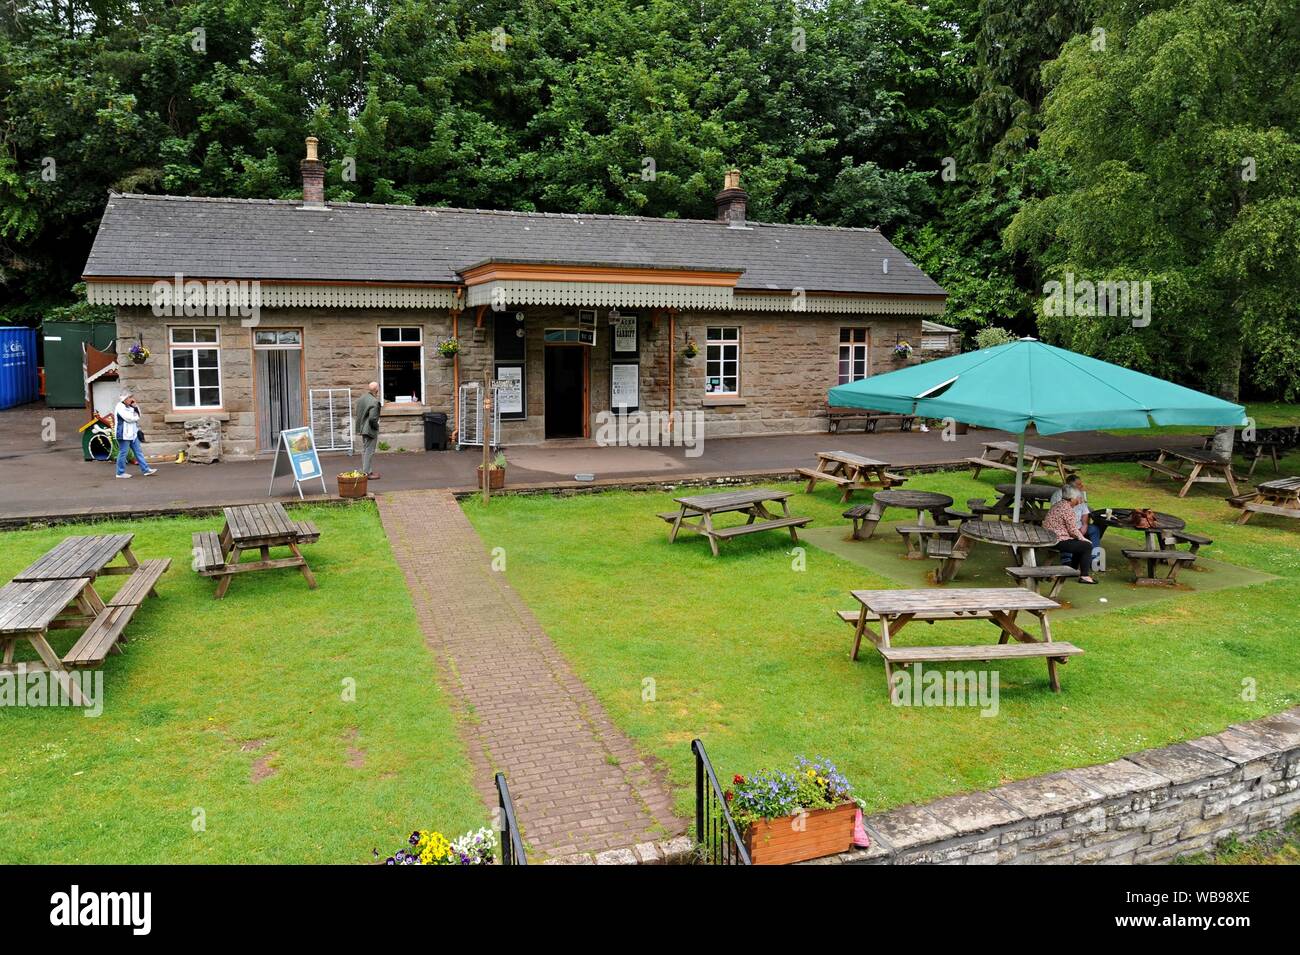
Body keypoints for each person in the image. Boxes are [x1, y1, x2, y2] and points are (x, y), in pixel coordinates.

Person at [1042, 485, 1098, 584]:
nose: (1080, 500)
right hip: (1057, 540)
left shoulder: (1059, 504)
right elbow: (1072, 530)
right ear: (1072, 499)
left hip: (1050, 536)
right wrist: (1083, 539)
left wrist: (1080, 538)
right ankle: (1084, 576)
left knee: (1080, 543)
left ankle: (1072, 569)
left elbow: (1071, 531)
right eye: (1078, 498)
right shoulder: (1068, 510)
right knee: (1087, 546)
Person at [1050, 473, 1104, 550]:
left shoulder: (1079, 494)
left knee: (1094, 529)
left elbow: (1085, 512)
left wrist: (1084, 525)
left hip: (1078, 526)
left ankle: (1095, 556)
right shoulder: (1059, 495)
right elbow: (1058, 516)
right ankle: (1067, 559)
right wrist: (1076, 532)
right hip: (1064, 528)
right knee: (1068, 537)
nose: (1082, 486)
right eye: (1079, 484)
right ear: (1070, 486)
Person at [113, 391, 156, 479]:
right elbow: (130, 418)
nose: (131, 399)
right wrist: (136, 416)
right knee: (123, 453)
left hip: (133, 433)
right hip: (123, 434)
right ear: (124, 399)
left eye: (131, 397)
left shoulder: (130, 406)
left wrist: (135, 406)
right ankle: (120, 473)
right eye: (129, 398)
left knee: (138, 451)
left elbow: (138, 414)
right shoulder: (120, 407)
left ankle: (146, 470)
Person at [355, 381, 382, 479]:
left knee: (365, 450)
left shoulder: (362, 398)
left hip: (362, 427)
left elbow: (358, 412)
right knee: (369, 451)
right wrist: (376, 426)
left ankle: (365, 470)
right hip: (369, 429)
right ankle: (367, 473)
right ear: (377, 390)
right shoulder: (374, 401)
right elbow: (372, 418)